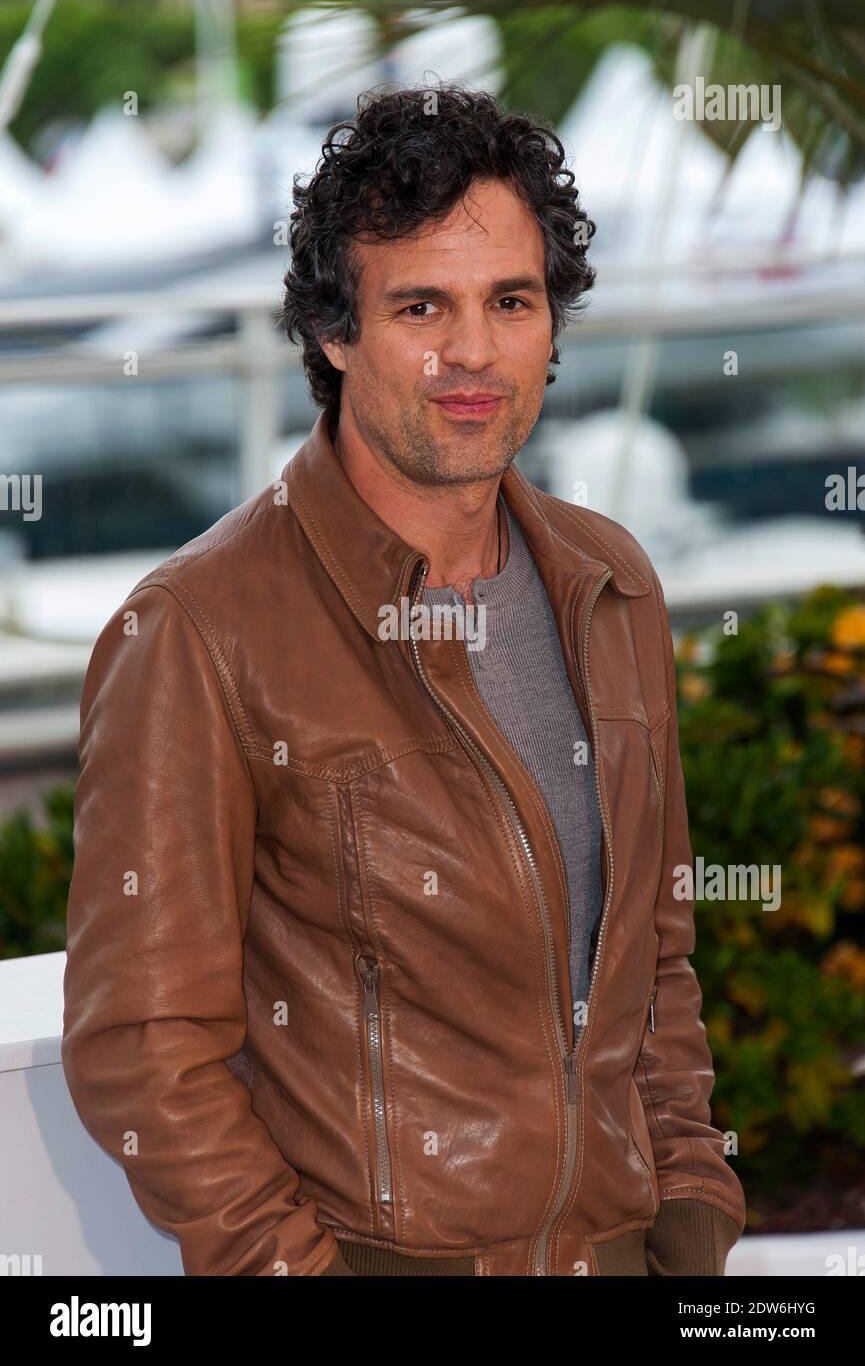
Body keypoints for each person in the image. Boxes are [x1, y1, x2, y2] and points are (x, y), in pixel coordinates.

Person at [61, 84, 746, 1276]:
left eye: (510, 302)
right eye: (421, 304)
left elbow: (656, 959)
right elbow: (142, 1048)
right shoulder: (197, 629)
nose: (473, 351)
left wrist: (688, 1214)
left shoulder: (609, 580)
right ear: (334, 333)